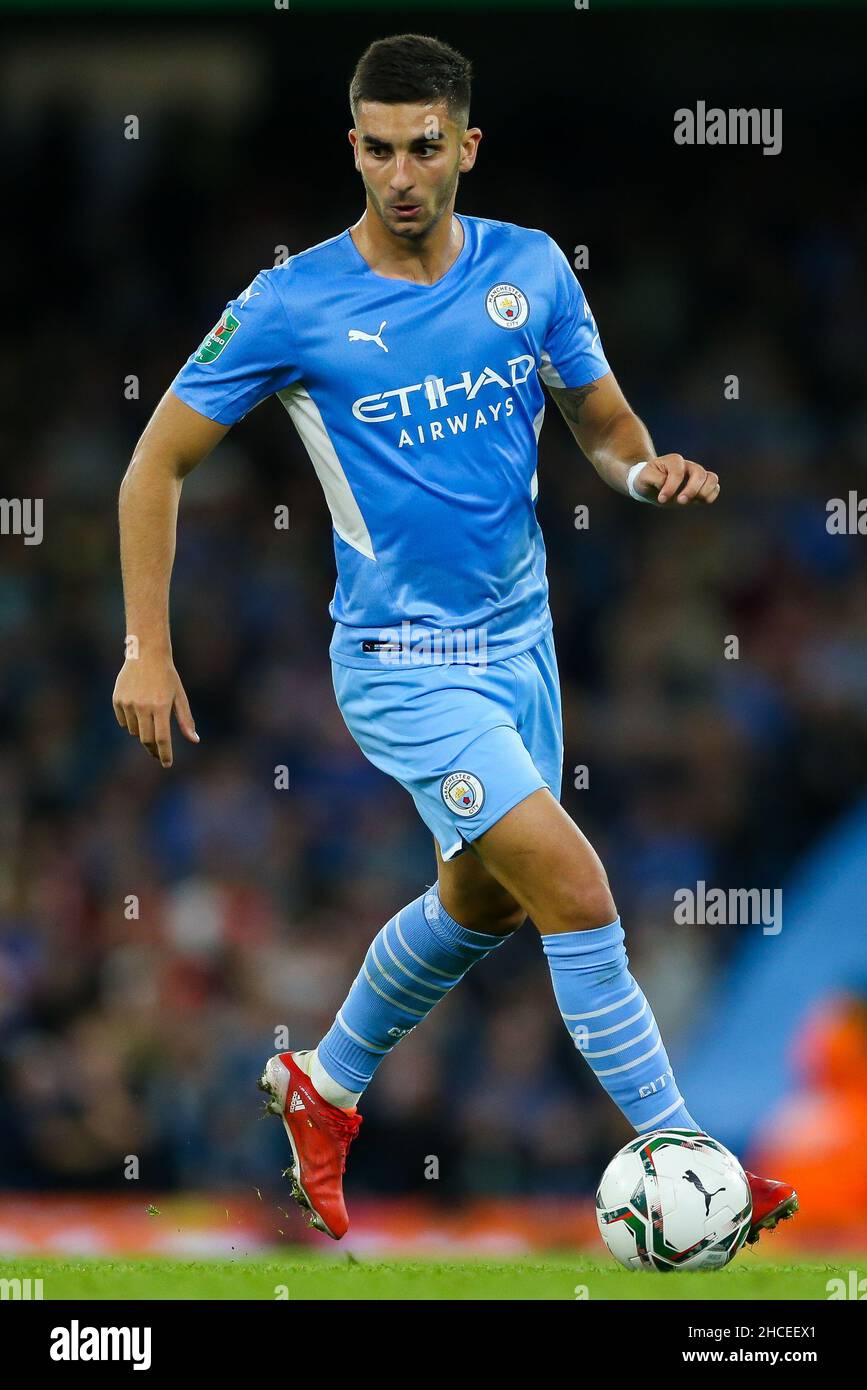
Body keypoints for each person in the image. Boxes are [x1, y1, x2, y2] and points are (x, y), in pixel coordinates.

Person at [113, 32, 797, 1244]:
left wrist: (642, 475)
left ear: (465, 146)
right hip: (401, 666)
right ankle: (687, 1157)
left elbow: (602, 418)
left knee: (481, 906)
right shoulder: (293, 300)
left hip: (518, 649)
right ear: (355, 151)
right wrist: (145, 646)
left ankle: (325, 1083)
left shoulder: (529, 272)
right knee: (576, 887)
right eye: (378, 150)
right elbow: (155, 461)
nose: (402, 174)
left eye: (425, 147)